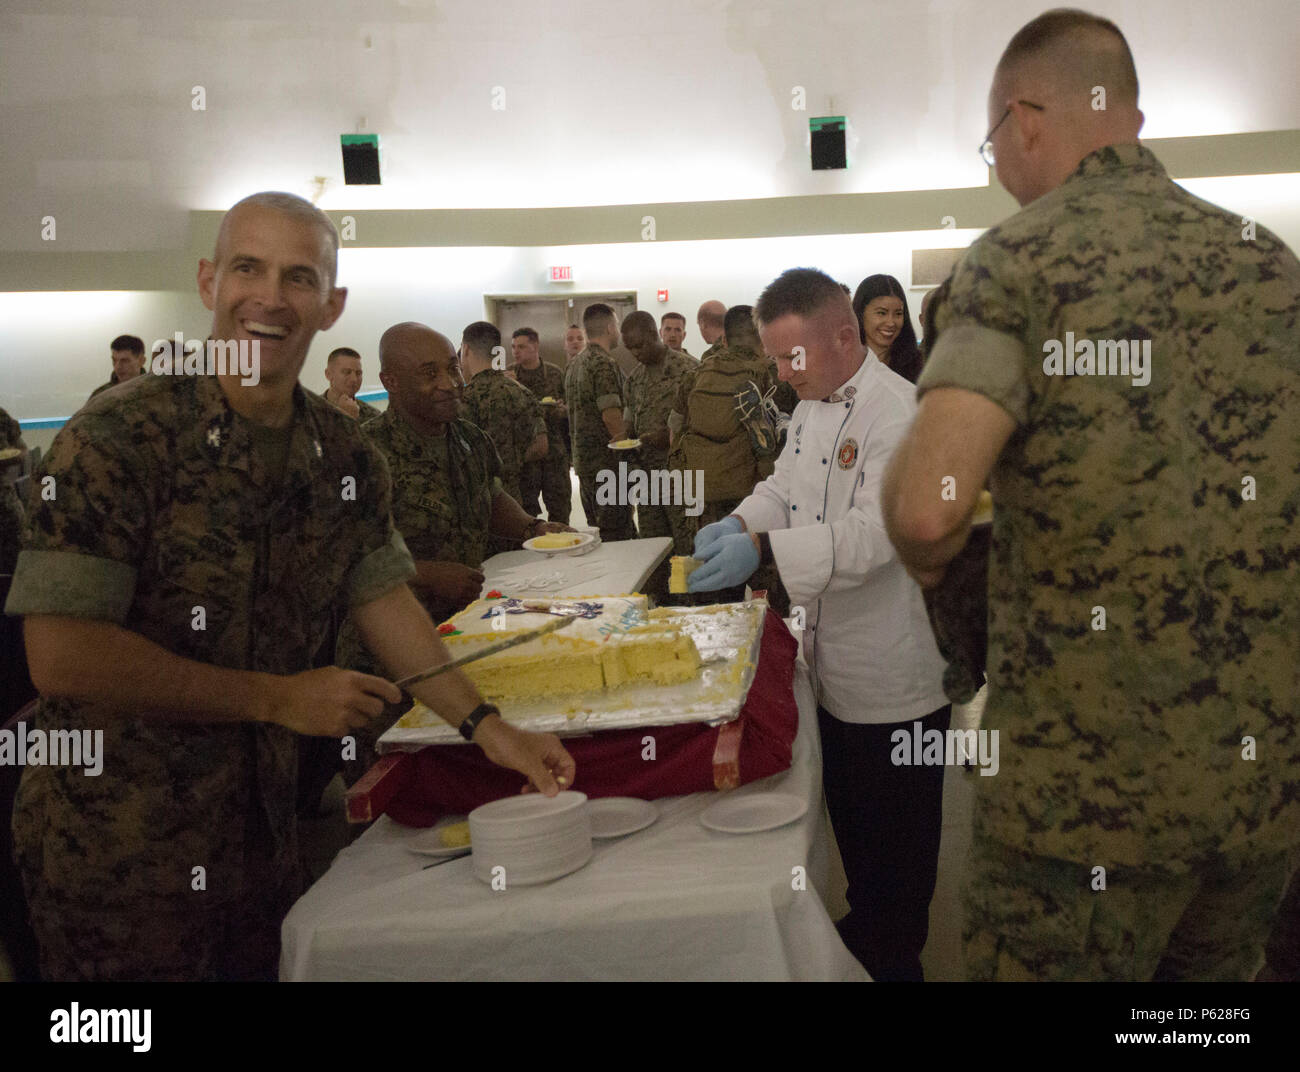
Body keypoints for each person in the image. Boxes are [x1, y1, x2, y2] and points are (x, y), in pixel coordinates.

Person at [4, 192, 575, 982]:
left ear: (331, 304)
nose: (270, 297)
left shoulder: (341, 453)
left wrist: (486, 726)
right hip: (117, 857)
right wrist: (275, 698)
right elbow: (62, 656)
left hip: (265, 843)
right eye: (248, 268)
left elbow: (382, 599)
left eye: (298, 277)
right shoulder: (116, 438)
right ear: (209, 282)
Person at [882, 9, 1300, 982]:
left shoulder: (1020, 260)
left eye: (990, 143)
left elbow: (927, 508)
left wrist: (948, 576)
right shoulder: (1271, 264)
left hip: (1083, 819)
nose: (995, 166)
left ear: (1025, 119)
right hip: (1256, 793)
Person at [688, 270, 950, 980]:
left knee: (896, 869)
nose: (780, 372)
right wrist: (741, 521)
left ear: (843, 336)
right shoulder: (808, 402)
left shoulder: (900, 412)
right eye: (775, 358)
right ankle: (864, 948)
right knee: (856, 845)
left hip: (893, 682)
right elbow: (784, 484)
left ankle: (896, 963)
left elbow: (878, 534)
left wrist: (765, 551)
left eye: (789, 358)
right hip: (828, 664)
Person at [619, 311, 695, 549]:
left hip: (682, 479)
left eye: (639, 346)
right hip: (648, 481)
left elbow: (704, 421)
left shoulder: (688, 370)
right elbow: (630, 420)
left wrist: (672, 437)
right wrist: (624, 437)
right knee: (653, 550)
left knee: (688, 549)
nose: (635, 353)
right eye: (630, 348)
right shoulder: (633, 380)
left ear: (654, 335)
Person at [564, 303, 635, 541]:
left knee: (599, 534)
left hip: (585, 467)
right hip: (607, 469)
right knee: (618, 536)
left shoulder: (575, 364)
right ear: (609, 327)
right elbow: (611, 417)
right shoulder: (603, 363)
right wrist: (630, 454)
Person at [459, 321, 547, 507]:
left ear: (465, 349)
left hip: (480, 502)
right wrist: (513, 462)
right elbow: (541, 445)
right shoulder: (522, 391)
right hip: (518, 500)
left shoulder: (466, 398)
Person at [509, 327, 572, 524]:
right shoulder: (509, 376)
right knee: (526, 511)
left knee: (560, 508)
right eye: (513, 347)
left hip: (554, 452)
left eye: (521, 346)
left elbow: (567, 407)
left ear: (535, 346)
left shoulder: (554, 373)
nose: (516, 351)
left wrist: (561, 410)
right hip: (526, 455)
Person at [852, 274, 923, 384]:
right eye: (882, 313)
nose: (891, 322)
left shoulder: (918, 365)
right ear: (861, 313)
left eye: (898, 314)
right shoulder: (844, 363)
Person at [323, 346, 381, 421]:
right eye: (347, 372)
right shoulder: (309, 410)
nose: (354, 379)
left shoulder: (373, 417)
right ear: (328, 374)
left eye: (358, 373)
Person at [88, 334, 147, 399]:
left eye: (125, 361)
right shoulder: (100, 395)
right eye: (114, 360)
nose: (118, 366)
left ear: (141, 361)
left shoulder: (154, 392)